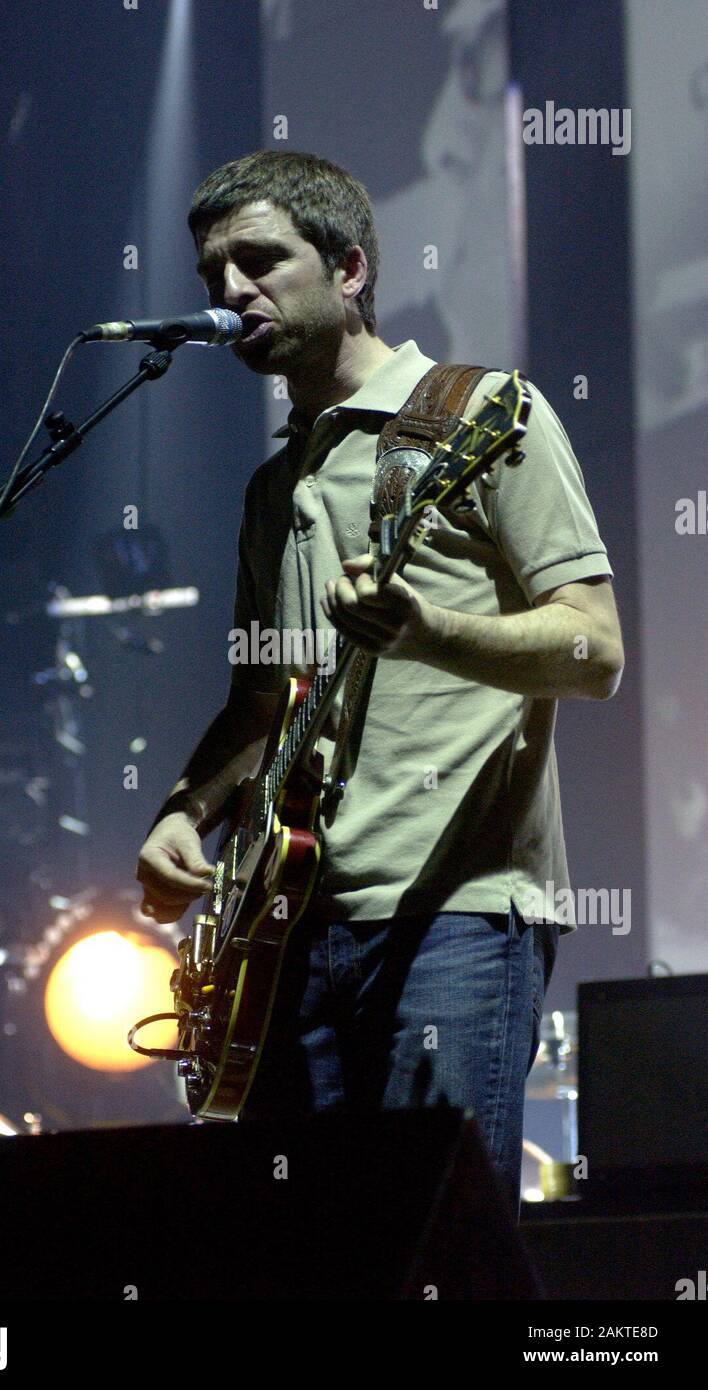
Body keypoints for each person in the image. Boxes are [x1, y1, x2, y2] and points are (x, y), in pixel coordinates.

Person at [135, 150, 624, 1215]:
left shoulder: (488, 415)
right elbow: (262, 702)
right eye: (214, 273)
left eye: (260, 261)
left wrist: (431, 628)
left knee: (443, 1245)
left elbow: (596, 652)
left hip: (455, 914)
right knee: (308, 1259)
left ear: (350, 266)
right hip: (288, 927)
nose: (229, 293)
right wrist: (188, 808)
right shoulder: (278, 483)